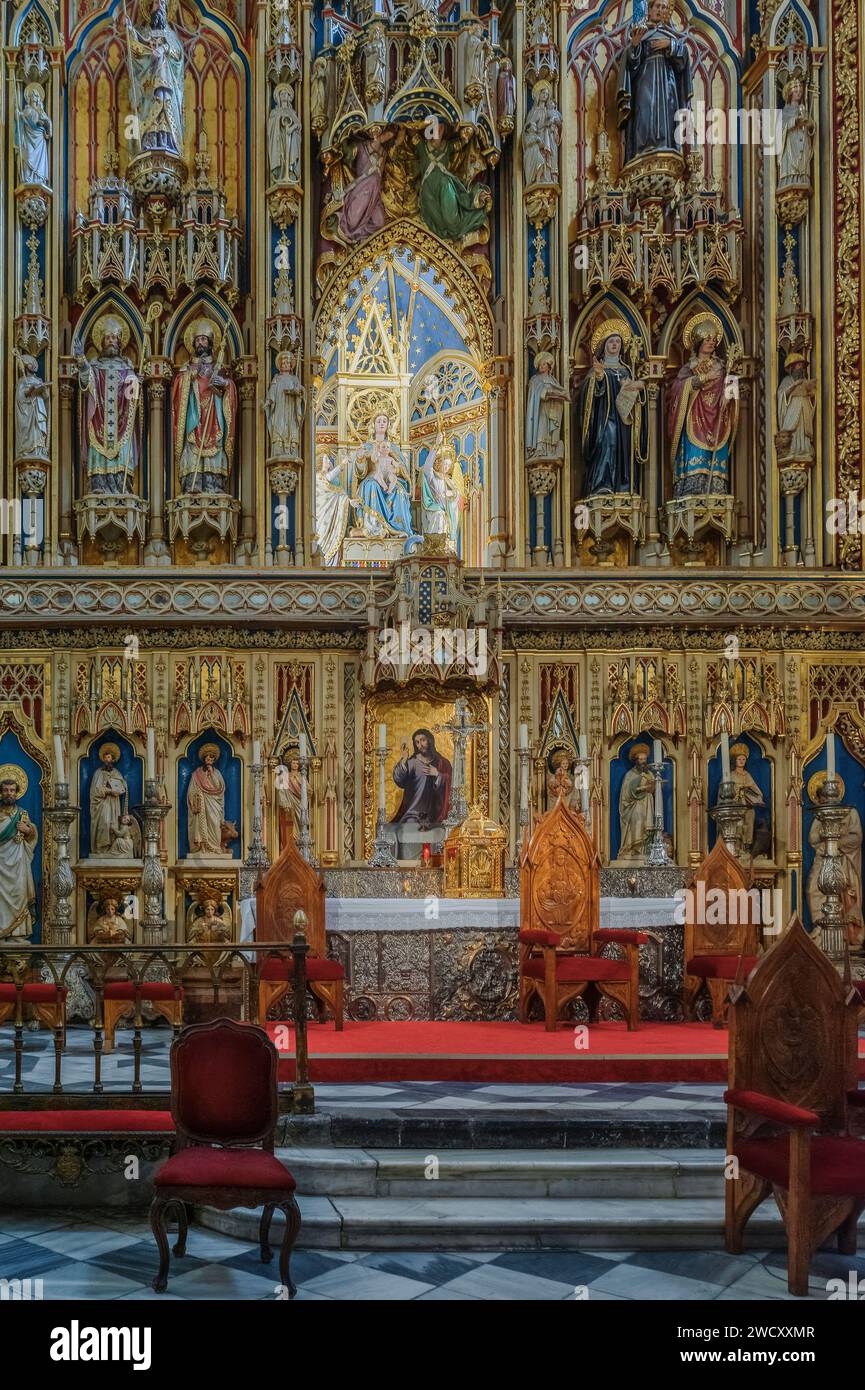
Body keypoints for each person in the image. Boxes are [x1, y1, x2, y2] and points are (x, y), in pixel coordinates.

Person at [667, 312, 737, 497]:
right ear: (699, 342)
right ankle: (692, 484)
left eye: (714, 340)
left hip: (717, 417)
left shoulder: (722, 367)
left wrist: (728, 396)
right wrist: (702, 378)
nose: (711, 342)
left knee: (716, 450)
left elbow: (733, 383)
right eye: (707, 339)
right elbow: (676, 389)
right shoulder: (689, 368)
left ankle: (715, 485)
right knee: (694, 449)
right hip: (695, 416)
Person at [616, 0, 692, 166]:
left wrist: (670, 45)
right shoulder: (641, 34)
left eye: (664, 7)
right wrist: (635, 45)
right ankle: (641, 152)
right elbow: (632, 66)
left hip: (667, 84)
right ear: (649, 11)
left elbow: (682, 63)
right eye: (657, 6)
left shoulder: (671, 37)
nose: (660, 10)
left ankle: (667, 147)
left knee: (668, 118)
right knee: (644, 114)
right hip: (645, 82)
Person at [76, 316, 141, 495]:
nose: (111, 341)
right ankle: (98, 484)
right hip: (100, 417)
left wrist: (134, 383)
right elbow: (86, 382)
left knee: (122, 449)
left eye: (114, 338)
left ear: (120, 341)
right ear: (102, 342)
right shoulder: (95, 366)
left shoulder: (126, 367)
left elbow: (132, 396)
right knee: (98, 448)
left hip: (122, 419)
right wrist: (82, 362)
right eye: (108, 338)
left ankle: (123, 486)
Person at [578, 322, 645, 496]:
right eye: (611, 341)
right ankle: (602, 483)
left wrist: (636, 388)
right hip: (605, 418)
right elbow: (588, 396)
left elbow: (637, 399)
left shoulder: (626, 370)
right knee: (608, 441)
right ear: (604, 346)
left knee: (624, 448)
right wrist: (599, 378)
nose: (615, 345)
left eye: (617, 341)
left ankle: (623, 486)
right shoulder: (597, 370)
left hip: (624, 420)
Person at [173, 319, 237, 495]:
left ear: (210, 343)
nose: (201, 343)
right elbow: (178, 392)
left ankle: (213, 484)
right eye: (198, 340)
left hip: (214, 415)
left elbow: (230, 388)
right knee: (193, 446)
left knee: (214, 446)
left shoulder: (219, 368)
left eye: (204, 339)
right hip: (195, 416)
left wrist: (225, 383)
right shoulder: (187, 368)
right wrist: (189, 377)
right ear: (193, 343)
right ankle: (193, 482)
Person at [807, 773, 864, 947]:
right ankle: (821, 928)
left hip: (844, 860)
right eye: (822, 797)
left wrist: (836, 843)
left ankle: (847, 935)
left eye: (828, 795)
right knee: (812, 889)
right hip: (823, 858)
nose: (825, 799)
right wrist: (826, 842)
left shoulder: (849, 812)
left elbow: (857, 837)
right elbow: (813, 838)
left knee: (843, 893)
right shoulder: (820, 814)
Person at [389, 729, 452, 843]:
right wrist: (404, 759)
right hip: (414, 813)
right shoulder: (412, 762)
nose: (420, 745)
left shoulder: (443, 763)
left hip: (437, 815)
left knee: (442, 835)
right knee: (410, 832)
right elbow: (399, 779)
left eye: (423, 740)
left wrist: (438, 774)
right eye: (417, 742)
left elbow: (452, 784)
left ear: (430, 741)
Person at [0, 769, 38, 942]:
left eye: (12, 790)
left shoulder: (22, 814)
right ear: (1, 792)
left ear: (17, 792)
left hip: (18, 863)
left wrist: (28, 830)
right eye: (6, 790)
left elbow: (31, 836)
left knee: (19, 894)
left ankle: (17, 935)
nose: (9, 793)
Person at [187, 743, 228, 855]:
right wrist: (196, 797)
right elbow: (191, 790)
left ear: (214, 760)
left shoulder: (217, 773)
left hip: (214, 803)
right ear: (204, 759)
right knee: (201, 826)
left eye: (212, 757)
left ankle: (215, 847)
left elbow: (220, 788)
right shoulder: (197, 773)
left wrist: (211, 774)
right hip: (202, 804)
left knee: (215, 824)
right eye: (208, 757)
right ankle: (202, 848)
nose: (209, 759)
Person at [618, 743, 655, 861]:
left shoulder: (650, 774)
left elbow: (655, 789)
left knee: (647, 826)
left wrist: (653, 787)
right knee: (637, 825)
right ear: (636, 760)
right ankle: (633, 849)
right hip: (635, 805)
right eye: (641, 759)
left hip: (648, 803)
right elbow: (626, 794)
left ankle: (645, 850)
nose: (643, 761)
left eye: (645, 759)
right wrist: (640, 788)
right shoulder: (630, 775)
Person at [89, 743, 127, 855]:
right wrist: (108, 790)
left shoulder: (117, 773)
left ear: (113, 759)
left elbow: (123, 786)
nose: (106, 759)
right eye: (105, 757)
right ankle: (101, 848)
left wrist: (119, 788)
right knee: (104, 823)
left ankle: (112, 848)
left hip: (114, 804)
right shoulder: (98, 773)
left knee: (113, 823)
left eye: (109, 757)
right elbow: (95, 790)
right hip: (102, 803)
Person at [728, 743, 765, 857]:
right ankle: (737, 849)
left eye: (744, 759)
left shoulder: (747, 775)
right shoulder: (731, 775)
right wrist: (737, 792)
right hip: (737, 807)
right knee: (738, 827)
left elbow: (758, 792)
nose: (741, 761)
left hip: (748, 808)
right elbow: (725, 792)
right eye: (739, 759)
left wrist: (749, 792)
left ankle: (746, 849)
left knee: (748, 828)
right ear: (735, 760)